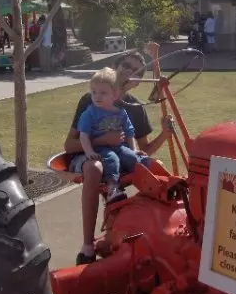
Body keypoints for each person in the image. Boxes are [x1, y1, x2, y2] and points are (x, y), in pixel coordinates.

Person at [64, 48, 172, 265]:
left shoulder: (134, 109)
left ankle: (159, 226)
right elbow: (69, 145)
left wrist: (165, 134)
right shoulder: (92, 99)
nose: (129, 72)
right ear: (116, 68)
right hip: (89, 155)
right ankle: (87, 246)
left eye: (136, 71)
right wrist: (104, 141)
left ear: (138, 82)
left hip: (120, 158)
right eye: (126, 66)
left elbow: (143, 149)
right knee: (95, 168)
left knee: (154, 164)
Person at [77, 67, 151, 203]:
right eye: (94, 92)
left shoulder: (121, 113)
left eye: (103, 93)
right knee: (112, 159)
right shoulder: (89, 114)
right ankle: (112, 188)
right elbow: (84, 136)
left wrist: (133, 149)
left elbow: (129, 133)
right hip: (101, 149)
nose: (97, 96)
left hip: (119, 146)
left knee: (132, 157)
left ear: (115, 94)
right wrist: (89, 152)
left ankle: (148, 180)